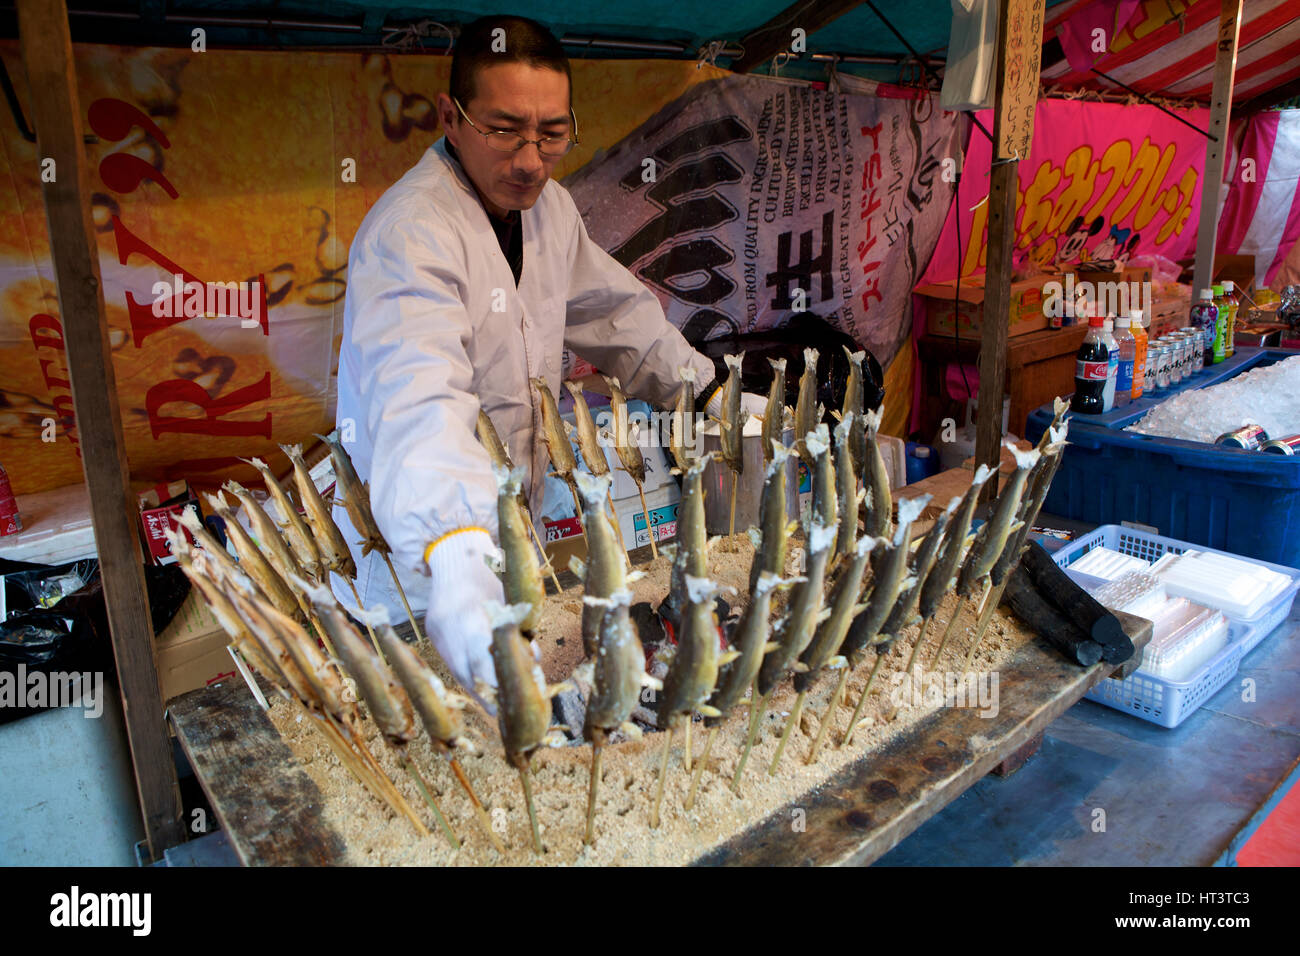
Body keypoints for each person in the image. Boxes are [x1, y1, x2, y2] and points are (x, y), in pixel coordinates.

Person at [334, 15, 762, 697]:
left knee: (526, 742)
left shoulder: (549, 210)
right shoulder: (411, 235)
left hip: (514, 533)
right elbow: (418, 404)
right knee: (442, 738)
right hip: (429, 562)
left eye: (552, 134)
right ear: (450, 115)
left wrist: (706, 392)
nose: (531, 158)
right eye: (503, 130)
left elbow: (613, 314)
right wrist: (461, 554)